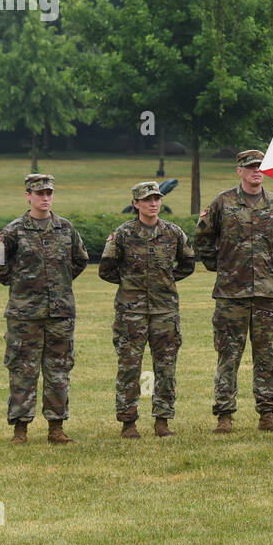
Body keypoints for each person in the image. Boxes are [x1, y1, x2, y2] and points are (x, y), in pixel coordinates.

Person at [195, 149, 273, 433]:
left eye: (260, 167)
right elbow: (202, 237)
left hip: (266, 293)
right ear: (239, 170)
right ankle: (224, 415)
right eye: (250, 167)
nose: (256, 171)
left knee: (267, 356)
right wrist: (220, 266)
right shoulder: (223, 203)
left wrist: (270, 267)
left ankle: (268, 414)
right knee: (229, 354)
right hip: (231, 294)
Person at [0, 174, 89, 444]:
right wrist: (17, 283)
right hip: (24, 315)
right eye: (39, 193)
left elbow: (80, 260)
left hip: (60, 314)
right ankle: (20, 429)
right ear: (27, 195)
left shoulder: (65, 228)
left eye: (49, 193)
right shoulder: (13, 231)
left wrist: (59, 284)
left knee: (58, 370)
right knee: (22, 370)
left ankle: (56, 427)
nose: (45, 198)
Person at [99, 181, 197, 438]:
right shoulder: (123, 233)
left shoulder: (173, 233)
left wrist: (166, 280)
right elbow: (106, 268)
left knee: (164, 366)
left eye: (156, 199)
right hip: (131, 313)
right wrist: (130, 285)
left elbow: (188, 262)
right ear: (136, 204)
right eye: (147, 200)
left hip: (164, 310)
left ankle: (162, 420)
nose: (153, 204)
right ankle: (129, 422)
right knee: (131, 365)